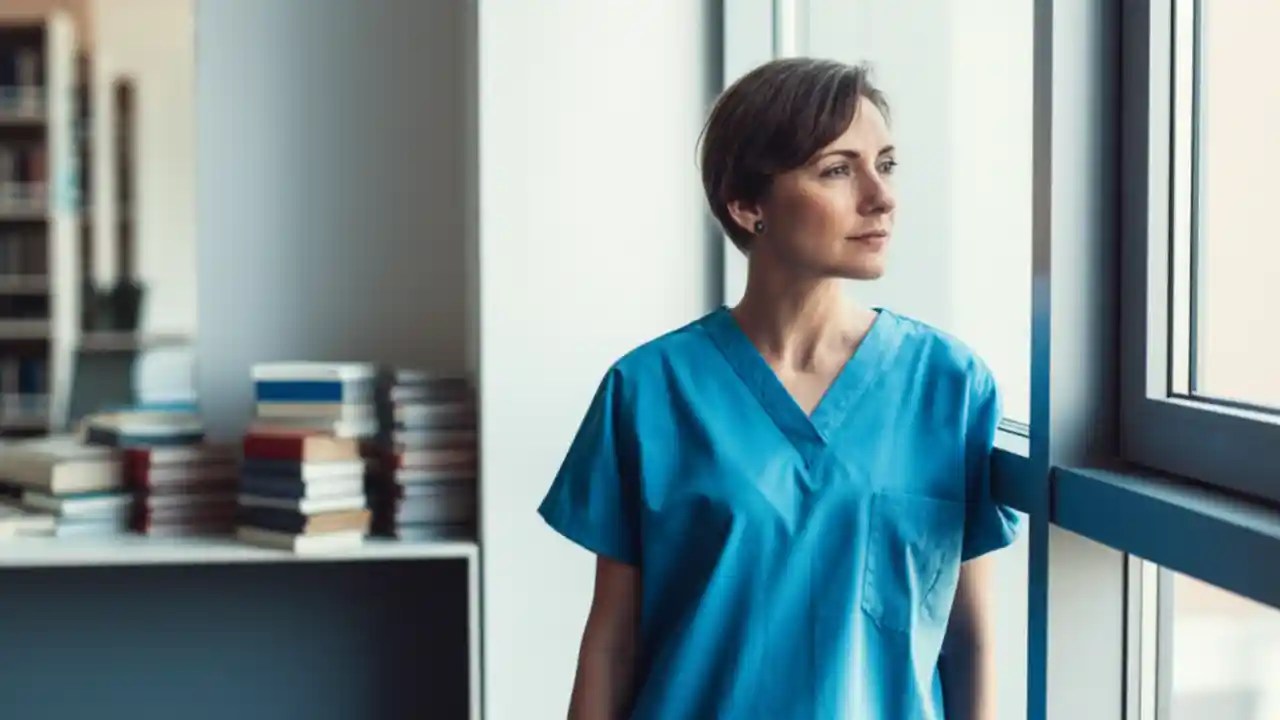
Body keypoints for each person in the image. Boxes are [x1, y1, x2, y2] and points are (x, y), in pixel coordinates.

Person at [537, 57, 1023, 720]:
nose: (880, 197)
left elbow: (970, 644)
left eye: (886, 164)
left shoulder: (948, 387)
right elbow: (612, 646)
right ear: (747, 204)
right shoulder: (648, 392)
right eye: (837, 170)